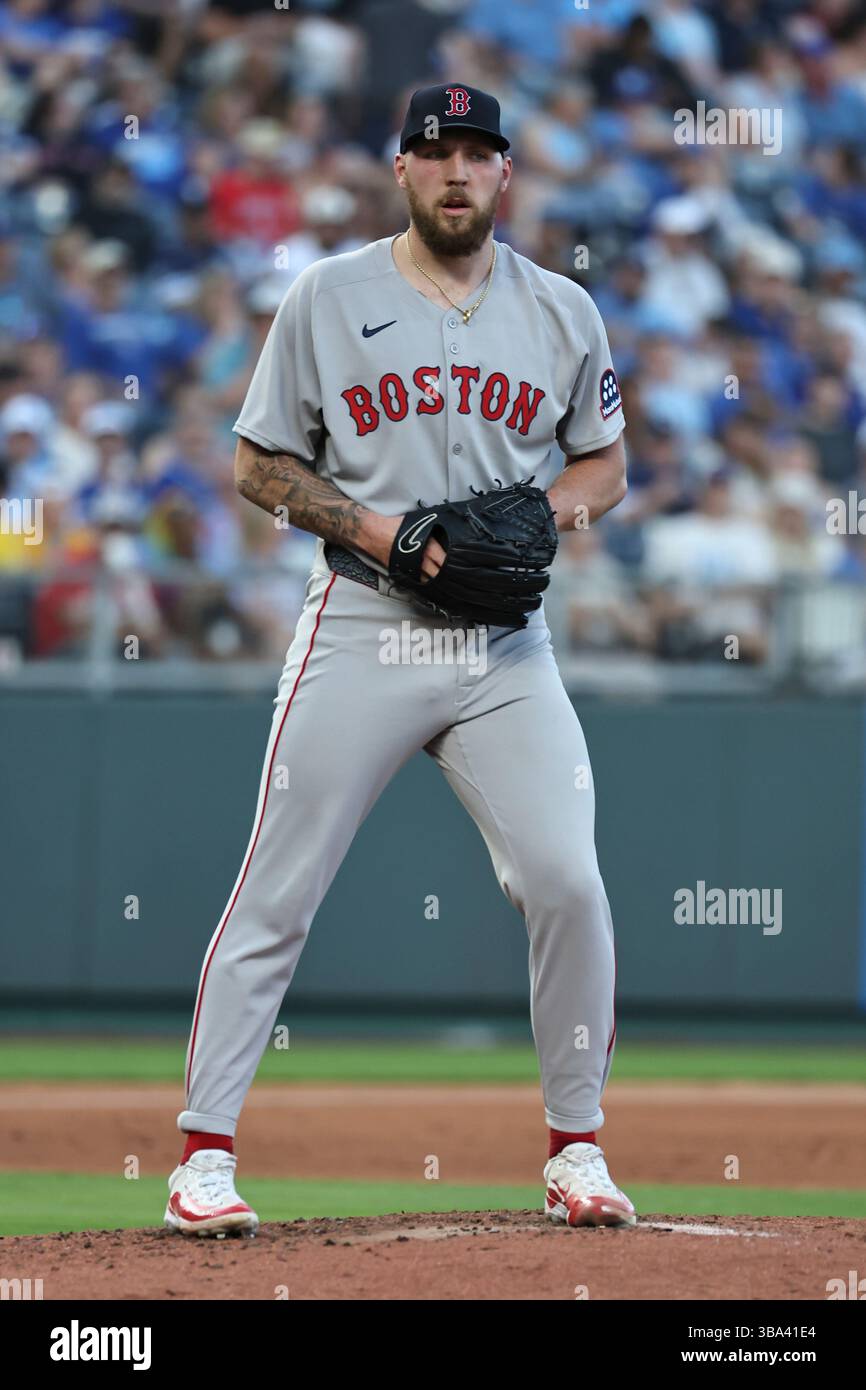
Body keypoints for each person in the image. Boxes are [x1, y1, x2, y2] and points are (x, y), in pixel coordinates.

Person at [165, 84, 633, 1237]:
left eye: (478, 153)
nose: (457, 172)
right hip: (363, 622)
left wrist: (544, 516)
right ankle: (202, 1157)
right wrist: (386, 534)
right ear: (403, 170)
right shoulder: (327, 295)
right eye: (437, 153)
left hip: (503, 643)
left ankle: (576, 1149)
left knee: (566, 879)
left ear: (506, 175)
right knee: (279, 883)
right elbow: (259, 464)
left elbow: (602, 467)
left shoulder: (562, 309)